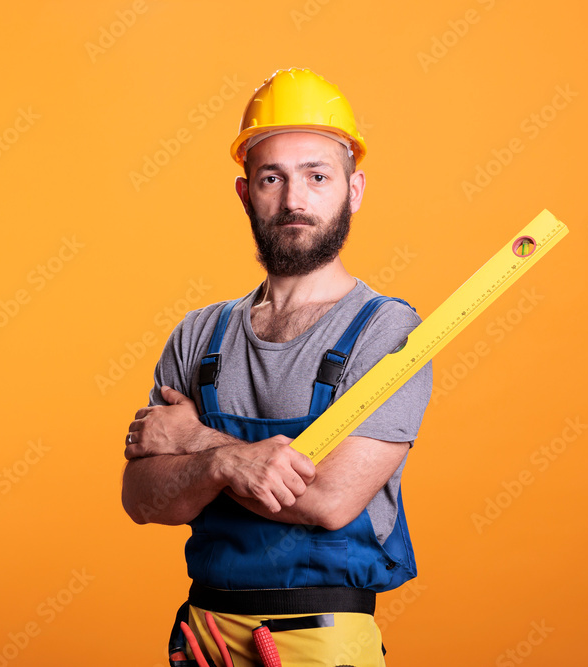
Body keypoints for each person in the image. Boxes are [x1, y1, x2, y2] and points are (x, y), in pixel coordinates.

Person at [121, 68, 432, 667]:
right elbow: (142, 499)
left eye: (317, 176)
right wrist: (228, 460)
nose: (295, 199)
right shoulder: (197, 336)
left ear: (354, 189)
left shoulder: (389, 332)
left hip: (321, 639)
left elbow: (332, 500)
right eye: (273, 178)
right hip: (203, 636)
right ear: (245, 193)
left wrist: (197, 444)